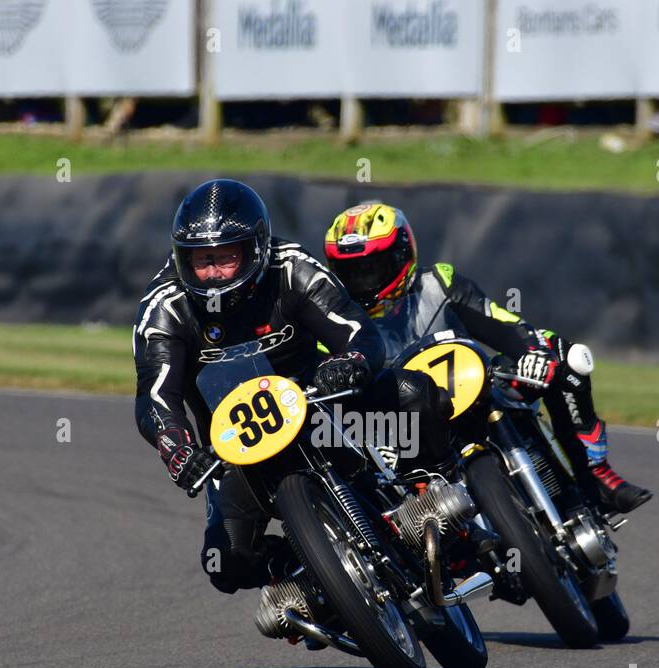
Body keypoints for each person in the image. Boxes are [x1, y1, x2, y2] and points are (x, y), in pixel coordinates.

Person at [134, 180, 452, 595]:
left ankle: (433, 494)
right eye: (201, 259)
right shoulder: (165, 307)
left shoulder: (291, 267)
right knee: (225, 564)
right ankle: (308, 578)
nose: (212, 272)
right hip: (235, 444)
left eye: (226, 257)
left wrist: (350, 362)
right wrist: (175, 447)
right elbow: (156, 396)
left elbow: (358, 331)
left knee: (415, 393)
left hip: (320, 402)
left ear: (255, 249)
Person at [323, 202, 651, 514]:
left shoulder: (438, 283)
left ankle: (596, 473)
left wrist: (532, 352)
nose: (364, 282)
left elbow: (500, 321)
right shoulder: (334, 318)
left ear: (401, 254)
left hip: (475, 388)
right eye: (351, 272)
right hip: (406, 429)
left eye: (372, 268)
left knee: (566, 355)